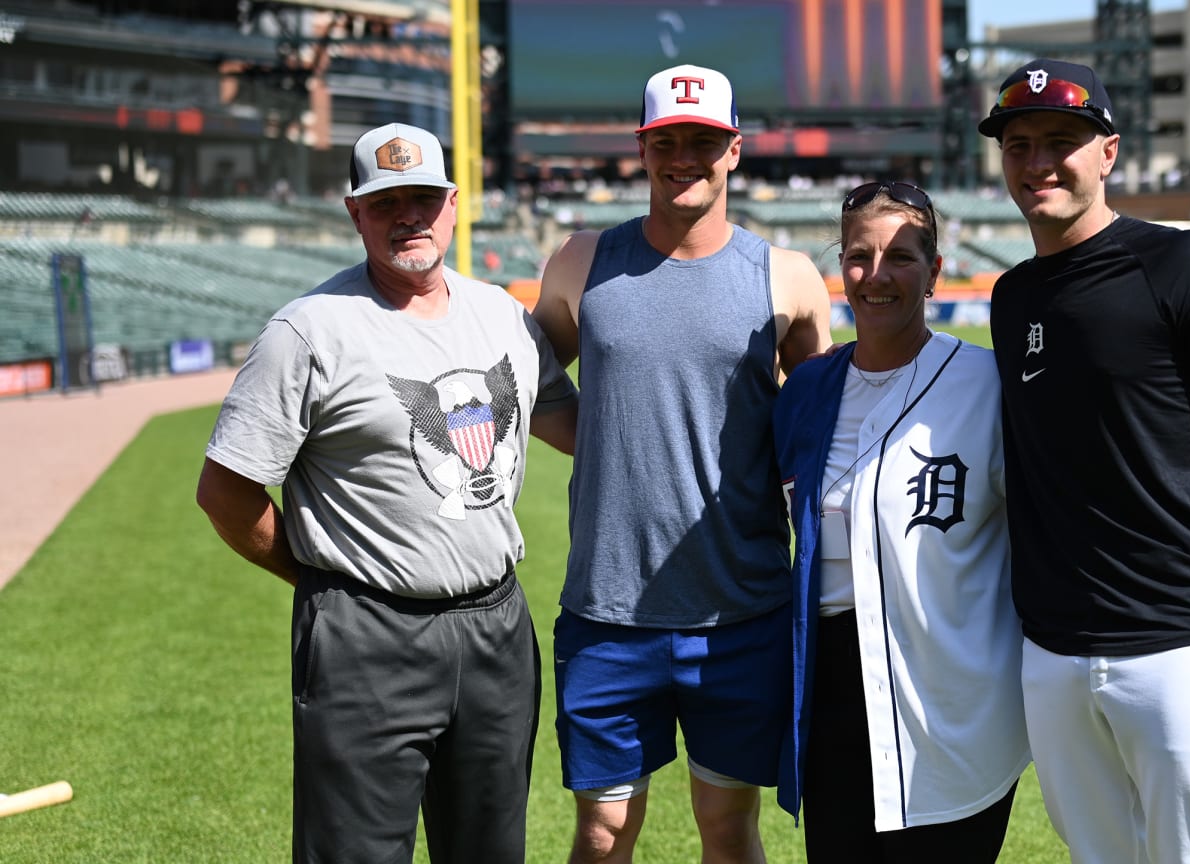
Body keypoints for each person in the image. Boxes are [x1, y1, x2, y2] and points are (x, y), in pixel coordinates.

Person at [195, 122, 577, 864]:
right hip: (367, 635)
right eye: (385, 201)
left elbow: (563, 418)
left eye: (424, 197)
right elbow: (225, 492)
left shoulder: (502, 315)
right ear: (355, 213)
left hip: (497, 627)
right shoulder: (309, 332)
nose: (409, 215)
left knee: (492, 850)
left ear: (454, 204)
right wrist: (315, 576)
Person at [977, 59, 1190, 863]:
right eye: (1018, 144)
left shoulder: (1182, 264)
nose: (1037, 162)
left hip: (1188, 646)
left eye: (1062, 141)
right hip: (1052, 652)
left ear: (1109, 151)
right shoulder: (1011, 296)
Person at [531, 64, 831, 863]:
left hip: (740, 611)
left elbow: (821, 422)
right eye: (668, 141)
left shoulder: (786, 277)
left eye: (703, 141)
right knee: (601, 833)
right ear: (642, 148)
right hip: (606, 613)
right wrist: (603, 439)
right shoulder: (581, 262)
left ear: (734, 150)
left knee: (728, 828)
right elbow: (528, 382)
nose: (684, 157)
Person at [772, 181, 1029, 862]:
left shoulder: (987, 383)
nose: (877, 275)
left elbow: (1070, 498)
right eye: (859, 256)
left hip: (952, 692)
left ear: (936, 271)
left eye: (902, 257)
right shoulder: (807, 390)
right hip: (830, 694)